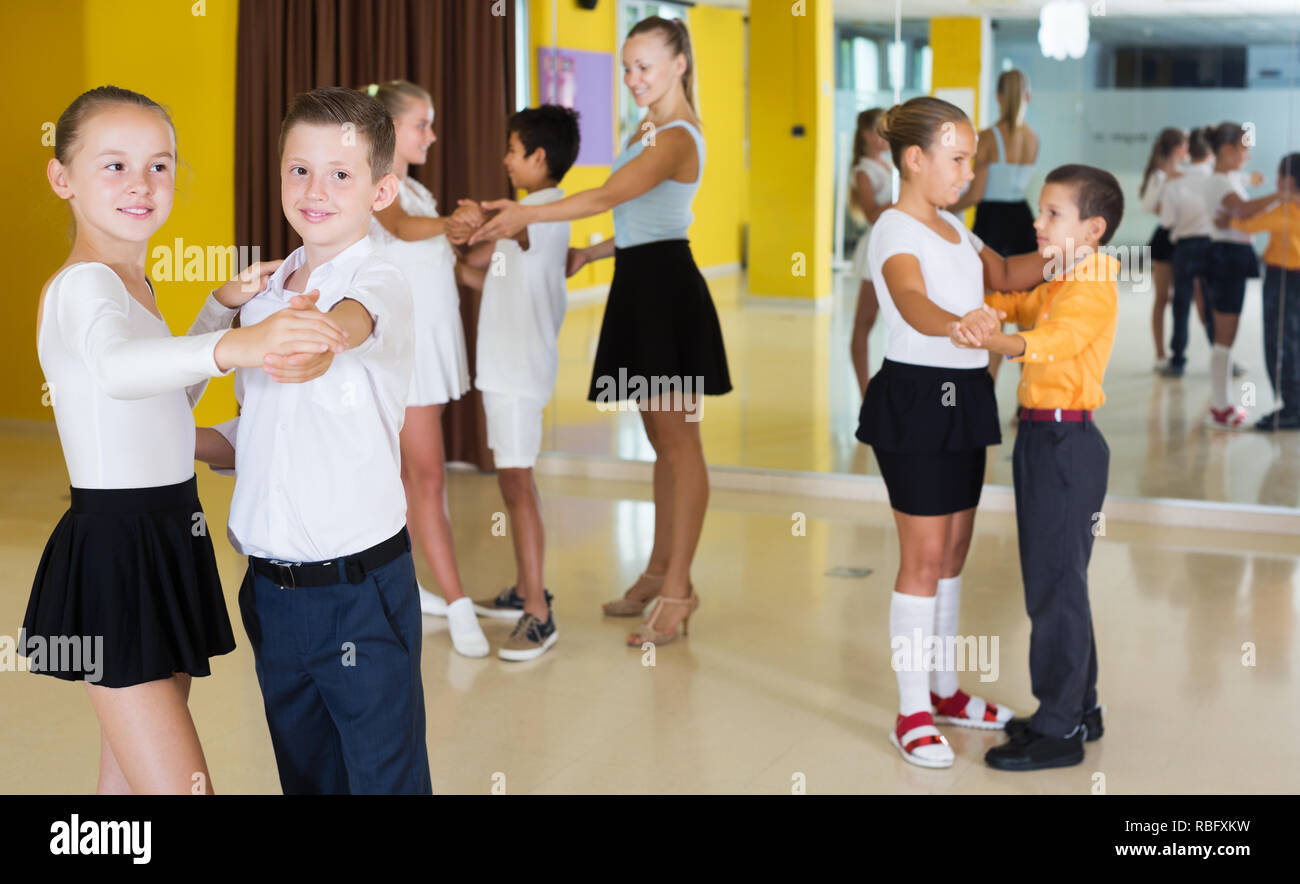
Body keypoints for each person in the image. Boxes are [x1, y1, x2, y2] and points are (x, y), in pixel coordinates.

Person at [26, 85, 345, 794]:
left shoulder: (130, 283)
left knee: (130, 793)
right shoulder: (85, 286)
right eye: (114, 165)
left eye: (159, 165)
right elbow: (116, 369)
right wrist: (244, 341)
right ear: (61, 178)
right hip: (116, 550)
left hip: (167, 536)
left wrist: (214, 310)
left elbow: (165, 400)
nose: (141, 183)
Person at [193, 87, 430, 794]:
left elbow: (360, 318)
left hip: (358, 591)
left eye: (341, 174)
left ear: (381, 188)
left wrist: (324, 339)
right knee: (308, 779)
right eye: (299, 170)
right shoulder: (264, 292)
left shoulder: (381, 276)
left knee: (383, 782)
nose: (315, 190)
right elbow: (259, 435)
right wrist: (184, 444)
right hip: (271, 593)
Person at [468, 16, 730, 646]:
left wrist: (524, 212)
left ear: (679, 65)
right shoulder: (645, 129)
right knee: (659, 442)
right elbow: (648, 217)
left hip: (667, 292)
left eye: (645, 66)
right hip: (641, 279)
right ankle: (658, 569)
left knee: (680, 445)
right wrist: (593, 255)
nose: (634, 78)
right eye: (627, 67)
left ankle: (679, 591)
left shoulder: (675, 135)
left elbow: (606, 196)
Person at [858, 96, 1045, 768]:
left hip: (965, 395)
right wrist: (958, 326)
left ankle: (944, 690)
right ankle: (910, 712)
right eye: (958, 158)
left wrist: (1072, 248)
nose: (970, 170)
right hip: (914, 398)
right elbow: (909, 299)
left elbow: (1006, 275)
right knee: (924, 558)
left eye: (970, 158)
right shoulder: (893, 229)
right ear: (915, 159)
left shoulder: (957, 231)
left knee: (957, 549)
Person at [953, 164, 1124, 771]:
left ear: (1094, 229)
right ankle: (1081, 706)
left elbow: (1054, 339)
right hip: (1042, 438)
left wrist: (991, 340)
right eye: (1041, 210)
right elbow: (1015, 301)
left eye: (1054, 213)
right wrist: (981, 306)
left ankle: (1059, 730)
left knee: (1055, 587)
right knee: (1061, 582)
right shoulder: (1063, 273)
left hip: (1067, 446)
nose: (1037, 221)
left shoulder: (1094, 281)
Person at [444, 104, 580, 660]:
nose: (505, 159)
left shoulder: (539, 215)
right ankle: (525, 588)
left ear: (538, 158)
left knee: (518, 488)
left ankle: (538, 613)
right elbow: (492, 275)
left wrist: (471, 224)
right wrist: (456, 264)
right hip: (507, 368)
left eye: (512, 150)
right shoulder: (537, 216)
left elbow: (501, 244)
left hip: (517, 372)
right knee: (513, 483)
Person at [364, 80, 488, 657]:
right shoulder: (380, 188)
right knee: (427, 477)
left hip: (431, 351)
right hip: (402, 356)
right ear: (391, 129)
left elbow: (437, 262)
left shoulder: (415, 189)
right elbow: (402, 233)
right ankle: (458, 601)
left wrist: (478, 255)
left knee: (410, 479)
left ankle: (408, 587)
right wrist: (452, 224)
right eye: (423, 124)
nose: (432, 134)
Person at [949, 69, 1038, 383]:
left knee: (990, 313)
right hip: (1022, 222)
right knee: (1027, 316)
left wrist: (940, 208)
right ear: (1028, 97)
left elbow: (974, 193)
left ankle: (986, 394)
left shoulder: (987, 137)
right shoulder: (1033, 139)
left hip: (992, 223)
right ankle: (1027, 401)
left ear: (998, 96)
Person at [1219, 153, 1300, 431]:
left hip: (1283, 281)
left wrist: (1227, 219)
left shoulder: (1286, 211)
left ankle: (1292, 407)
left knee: (1280, 342)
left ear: (1288, 181)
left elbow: (1247, 223)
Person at [1199, 122, 1265, 429]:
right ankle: (1220, 406)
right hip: (1226, 258)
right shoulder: (1220, 182)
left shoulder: (1227, 178)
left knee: (1226, 336)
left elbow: (1237, 212)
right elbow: (1246, 210)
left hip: (1230, 255)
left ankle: (1221, 404)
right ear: (1227, 150)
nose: (1248, 155)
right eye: (1244, 148)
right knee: (1224, 338)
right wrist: (1284, 194)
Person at [1158, 127, 1219, 378]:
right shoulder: (1216, 180)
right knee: (1214, 304)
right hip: (1211, 247)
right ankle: (1221, 356)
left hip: (1184, 247)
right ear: (1211, 153)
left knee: (1181, 304)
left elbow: (1166, 222)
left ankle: (1178, 360)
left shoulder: (1175, 182)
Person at [846, 107, 893, 395]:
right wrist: (906, 195)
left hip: (893, 245)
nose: (885, 135)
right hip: (874, 247)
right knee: (864, 321)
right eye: (880, 129)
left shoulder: (888, 164)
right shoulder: (863, 171)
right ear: (866, 135)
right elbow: (873, 214)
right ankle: (865, 393)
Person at [1138, 127, 1188, 371]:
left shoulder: (1186, 174)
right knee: (1162, 298)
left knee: (1189, 298)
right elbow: (1148, 206)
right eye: (1186, 145)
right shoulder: (1159, 176)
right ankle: (1160, 355)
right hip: (1166, 239)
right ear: (1178, 148)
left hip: (1187, 237)